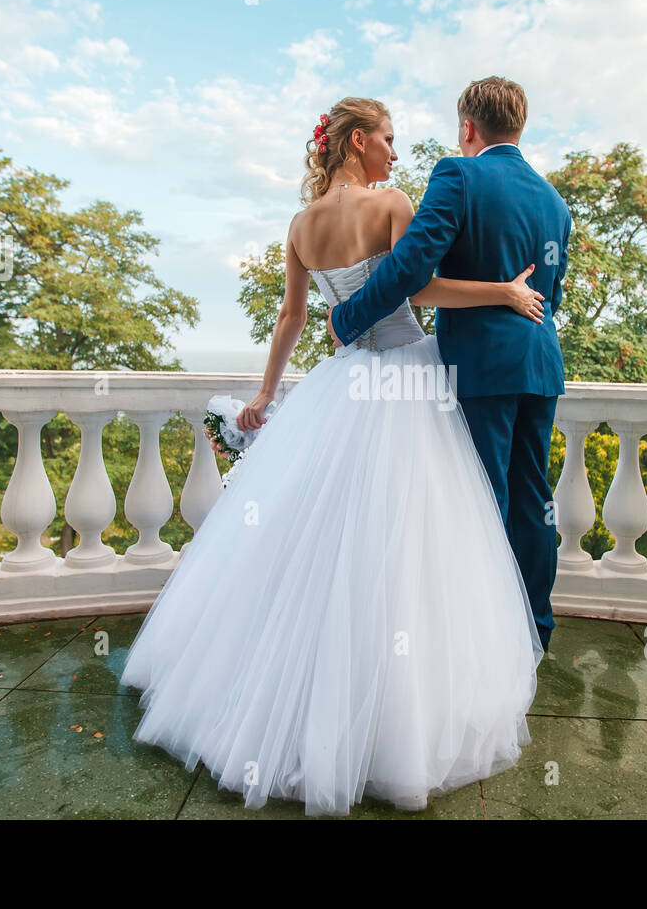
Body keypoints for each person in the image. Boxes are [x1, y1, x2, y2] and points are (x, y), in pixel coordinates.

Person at [120, 96, 547, 817]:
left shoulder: (299, 226)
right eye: (387, 138)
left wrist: (264, 394)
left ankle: (294, 692)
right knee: (406, 549)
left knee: (316, 546)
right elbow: (419, 286)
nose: (394, 151)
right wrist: (502, 291)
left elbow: (292, 318)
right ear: (356, 142)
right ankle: (393, 713)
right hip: (410, 375)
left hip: (343, 385)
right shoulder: (391, 204)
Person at [330, 76, 572, 652]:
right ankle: (534, 632)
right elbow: (550, 295)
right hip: (539, 362)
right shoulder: (553, 201)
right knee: (533, 499)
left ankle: (482, 643)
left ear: (467, 127)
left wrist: (349, 318)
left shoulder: (458, 174)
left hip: (478, 369)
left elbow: (411, 267)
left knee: (481, 502)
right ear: (519, 126)